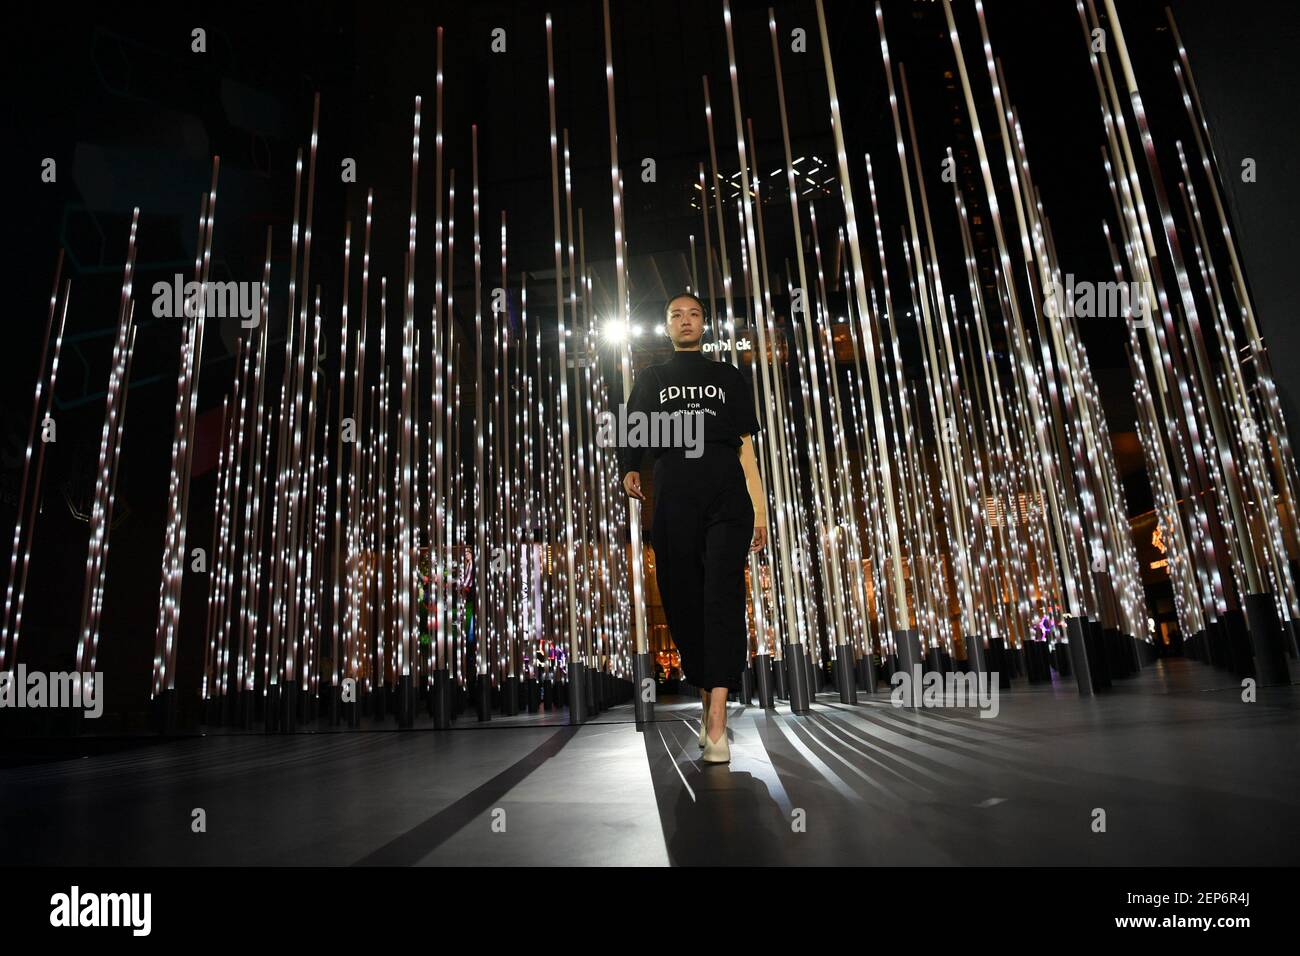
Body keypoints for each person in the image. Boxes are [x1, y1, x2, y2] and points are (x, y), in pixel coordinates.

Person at [618, 293, 767, 764]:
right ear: (666, 327)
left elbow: (745, 449)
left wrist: (759, 509)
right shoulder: (653, 378)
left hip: (726, 494)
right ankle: (707, 697)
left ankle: (718, 719)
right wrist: (629, 468)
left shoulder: (728, 377)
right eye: (676, 315)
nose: (686, 321)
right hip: (675, 495)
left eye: (694, 314)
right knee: (684, 600)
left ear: (706, 324)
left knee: (722, 595)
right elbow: (633, 433)